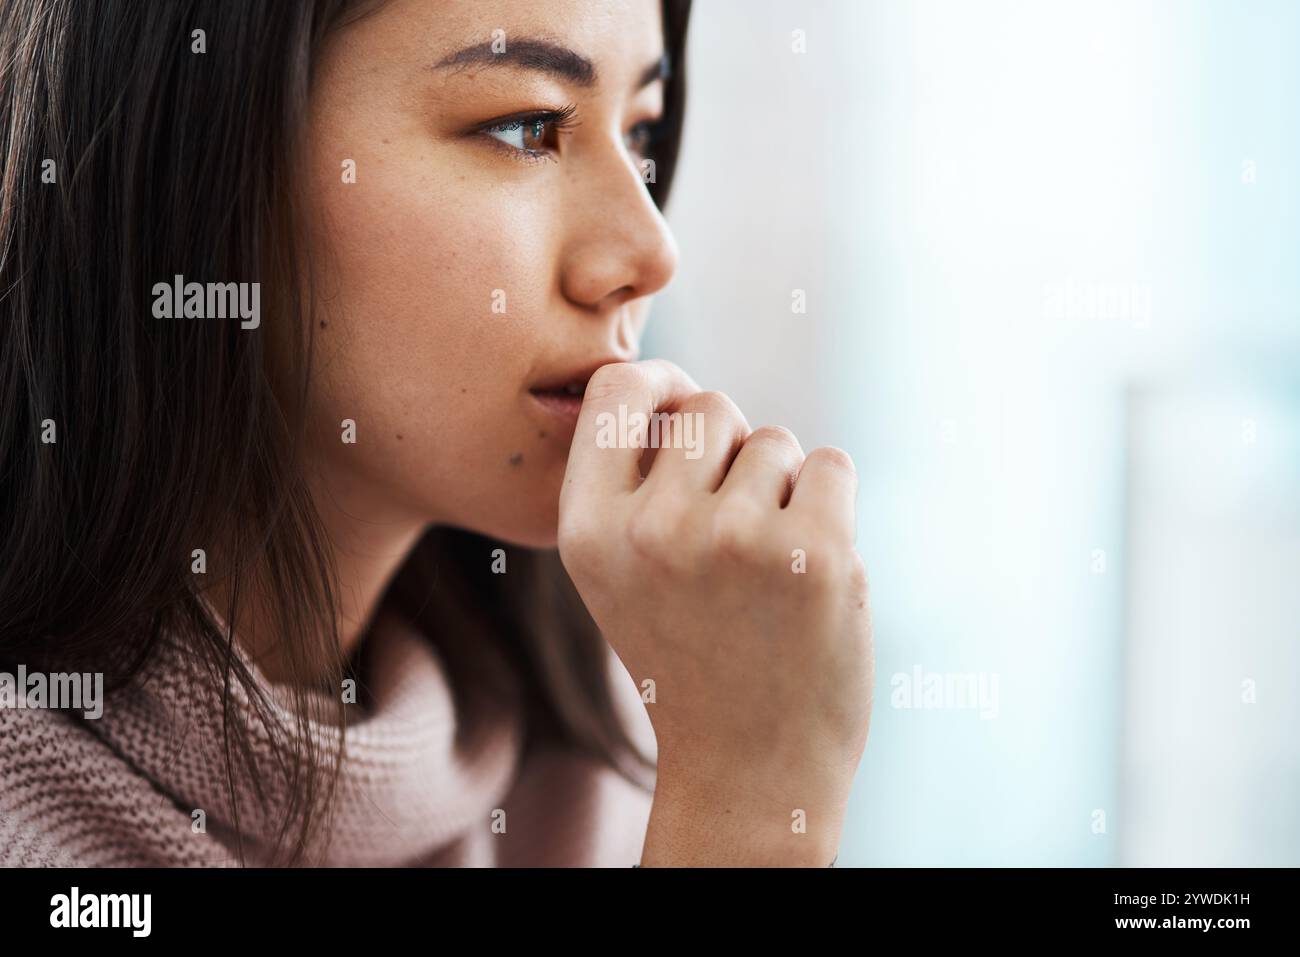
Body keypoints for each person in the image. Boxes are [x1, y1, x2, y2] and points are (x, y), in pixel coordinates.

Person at [0, 0, 873, 867]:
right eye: (528, 127)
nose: (650, 252)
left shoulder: (595, 752)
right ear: (192, 152)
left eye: (641, 132)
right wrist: (745, 815)